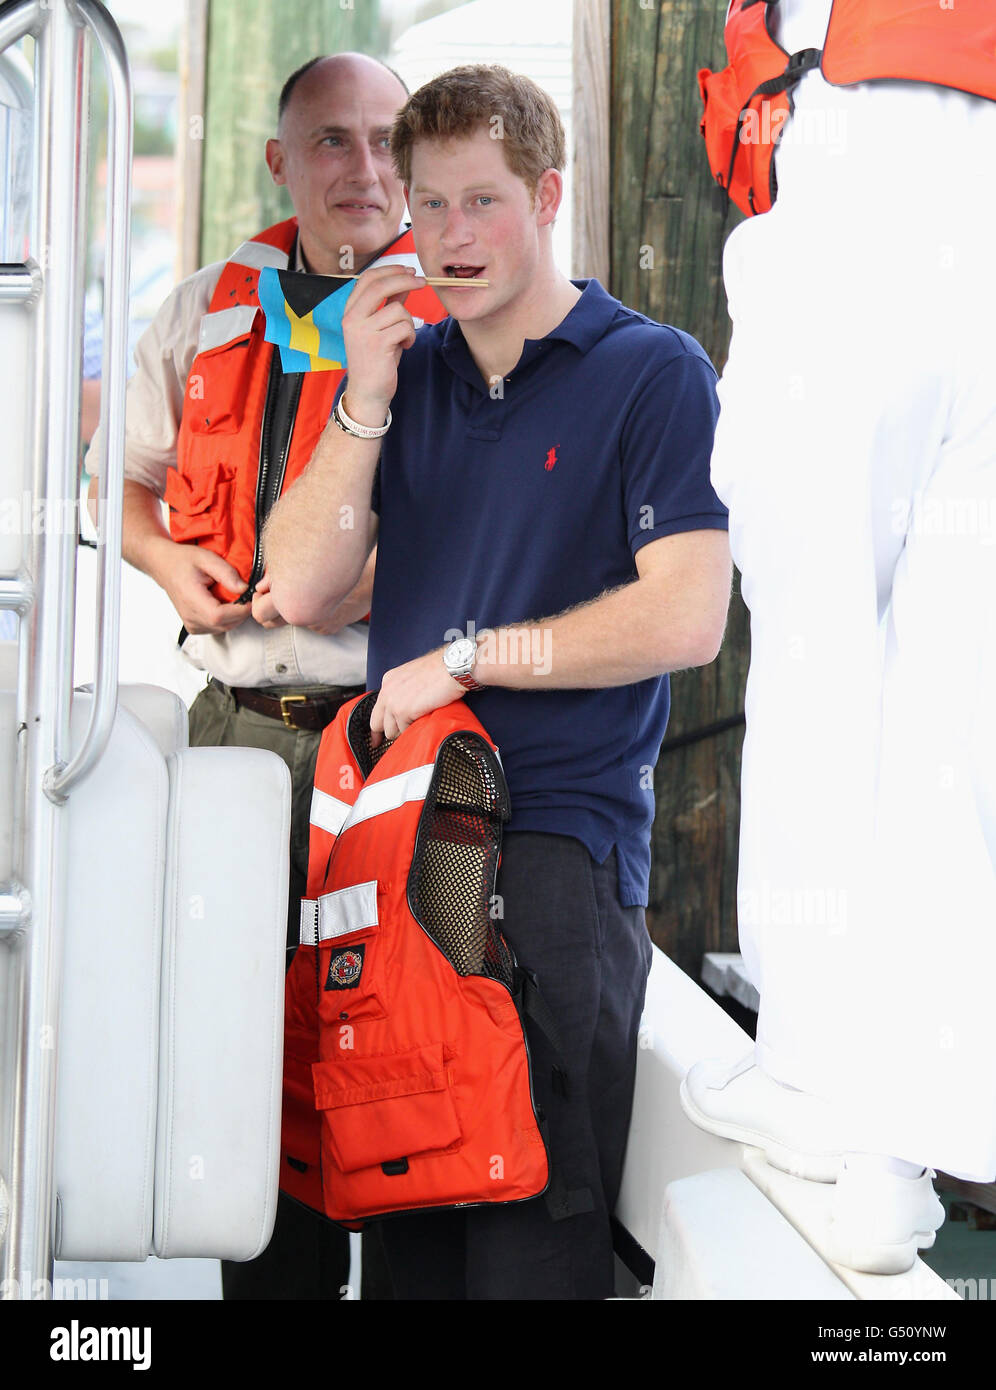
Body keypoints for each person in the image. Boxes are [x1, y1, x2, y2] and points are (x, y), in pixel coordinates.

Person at [265, 64, 732, 1300]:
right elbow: (299, 585)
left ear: (549, 195)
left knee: (533, 1239)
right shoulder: (403, 377)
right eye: (430, 208)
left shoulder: (654, 370)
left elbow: (688, 616)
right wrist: (359, 397)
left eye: (483, 202)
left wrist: (468, 657)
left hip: (553, 855)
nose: (453, 238)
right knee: (407, 1230)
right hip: (399, 852)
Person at [86, 50, 421, 1301]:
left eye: (391, 138)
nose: (367, 168)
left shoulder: (463, 310)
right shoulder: (198, 312)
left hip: (394, 734)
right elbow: (120, 489)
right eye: (333, 140)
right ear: (280, 160)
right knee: (240, 1037)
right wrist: (170, 567)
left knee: (395, 1037)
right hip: (234, 730)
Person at [682, 0, 996, 1275]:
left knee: (822, 654)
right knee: (949, 701)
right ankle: (906, 1139)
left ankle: (821, 1082)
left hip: (871, 142)